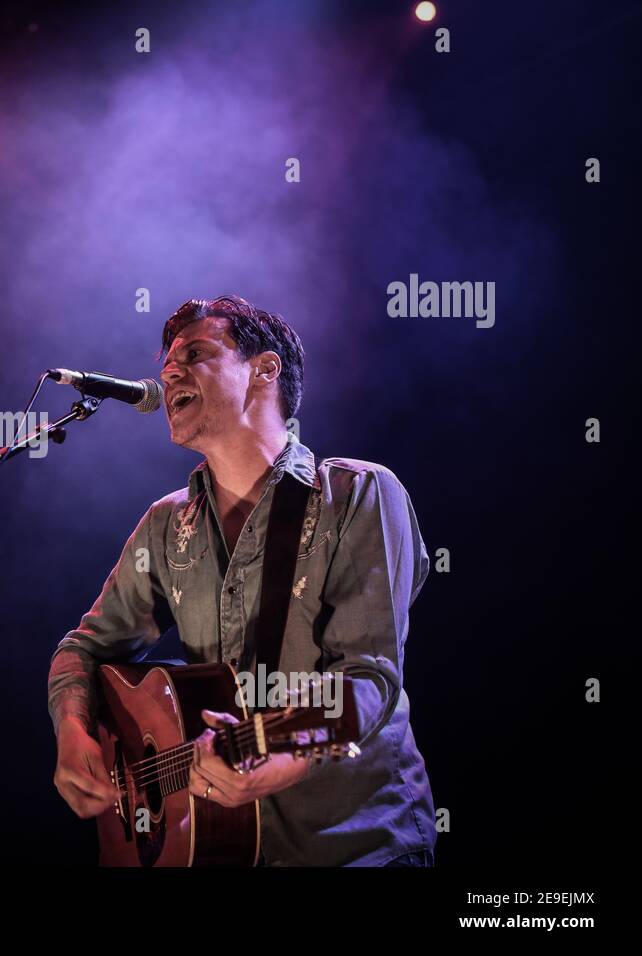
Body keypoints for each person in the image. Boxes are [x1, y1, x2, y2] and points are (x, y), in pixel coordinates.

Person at [48, 295, 436, 866]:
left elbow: (367, 676)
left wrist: (281, 759)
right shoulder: (165, 525)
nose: (169, 372)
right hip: (222, 848)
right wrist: (74, 733)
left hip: (357, 846)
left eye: (195, 353)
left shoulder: (358, 495)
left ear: (264, 369)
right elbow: (82, 649)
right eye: (166, 364)